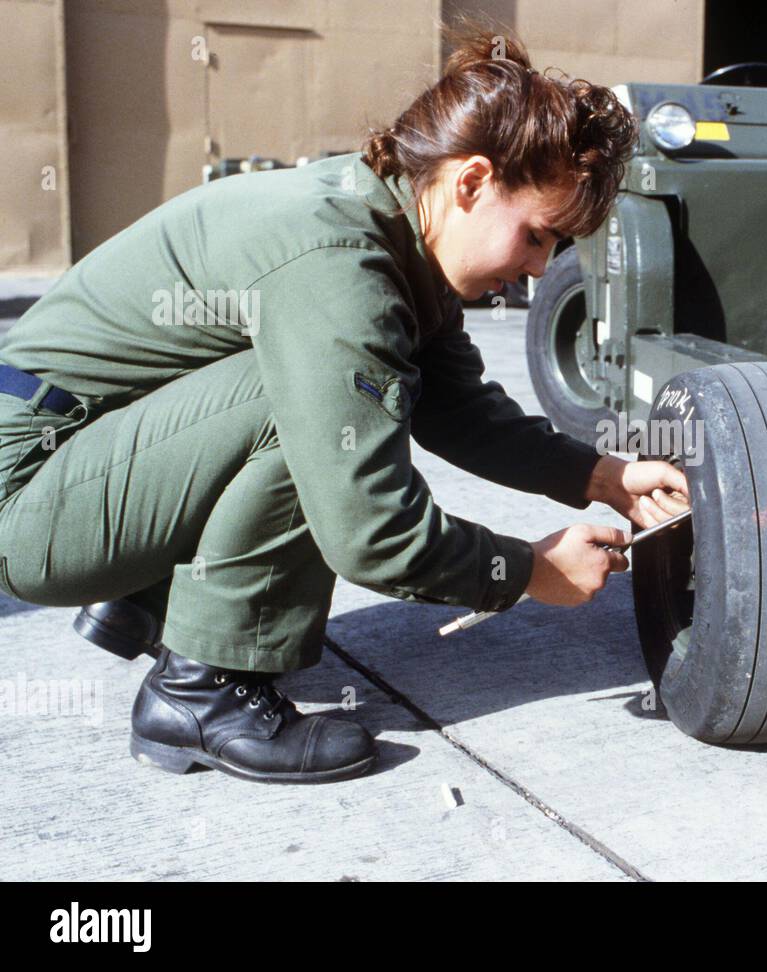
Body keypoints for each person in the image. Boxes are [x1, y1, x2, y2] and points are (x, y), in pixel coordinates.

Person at [0, 25, 689, 785]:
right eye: (537, 235)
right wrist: (525, 570)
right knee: (310, 406)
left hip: (76, 454)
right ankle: (201, 690)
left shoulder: (384, 225)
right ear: (470, 182)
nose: (537, 269)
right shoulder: (339, 264)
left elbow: (459, 408)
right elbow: (370, 530)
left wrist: (605, 477)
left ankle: (148, 599)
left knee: (315, 385)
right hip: (26, 491)